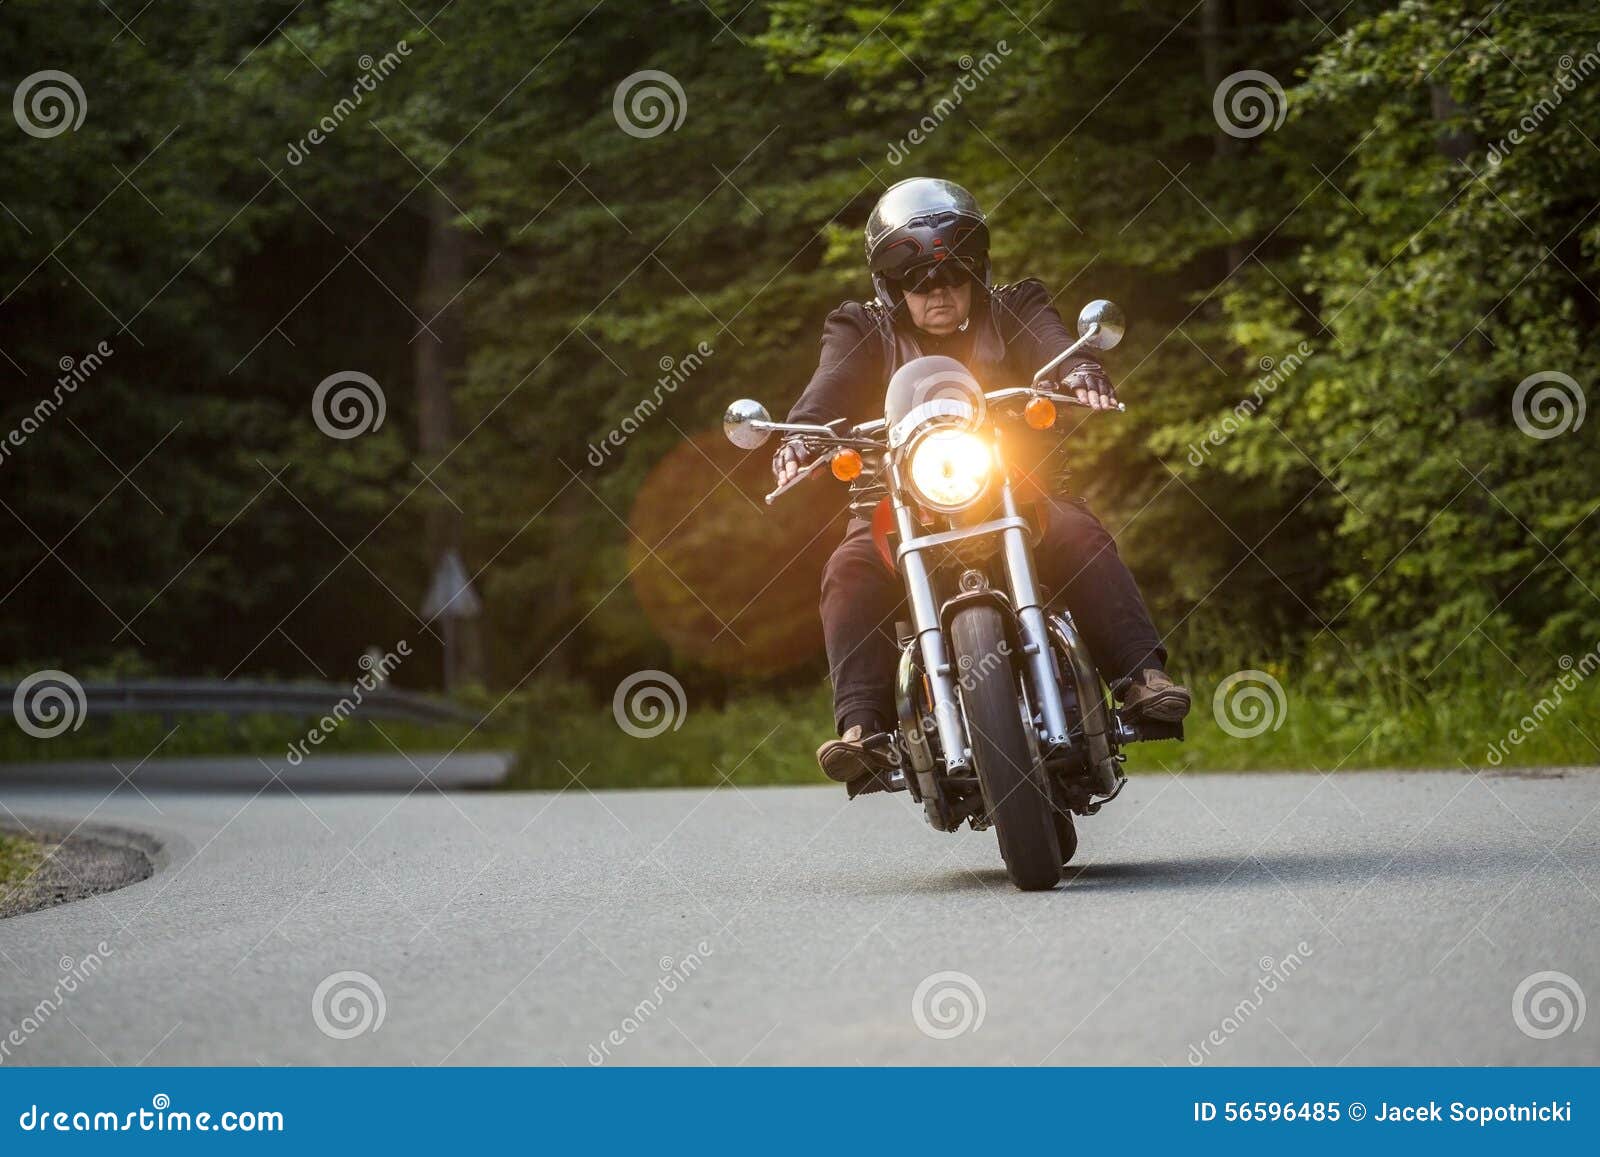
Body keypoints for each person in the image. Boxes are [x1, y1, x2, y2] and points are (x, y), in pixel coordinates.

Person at [773, 177, 1190, 791]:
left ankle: (1138, 678)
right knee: (851, 567)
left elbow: (1052, 340)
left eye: (953, 271)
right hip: (899, 503)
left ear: (975, 269)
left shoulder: (1014, 304)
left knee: (1075, 530)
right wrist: (802, 435)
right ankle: (864, 730)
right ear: (891, 285)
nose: (937, 290)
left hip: (1016, 485)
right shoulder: (860, 328)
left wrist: (1078, 367)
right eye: (916, 278)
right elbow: (825, 388)